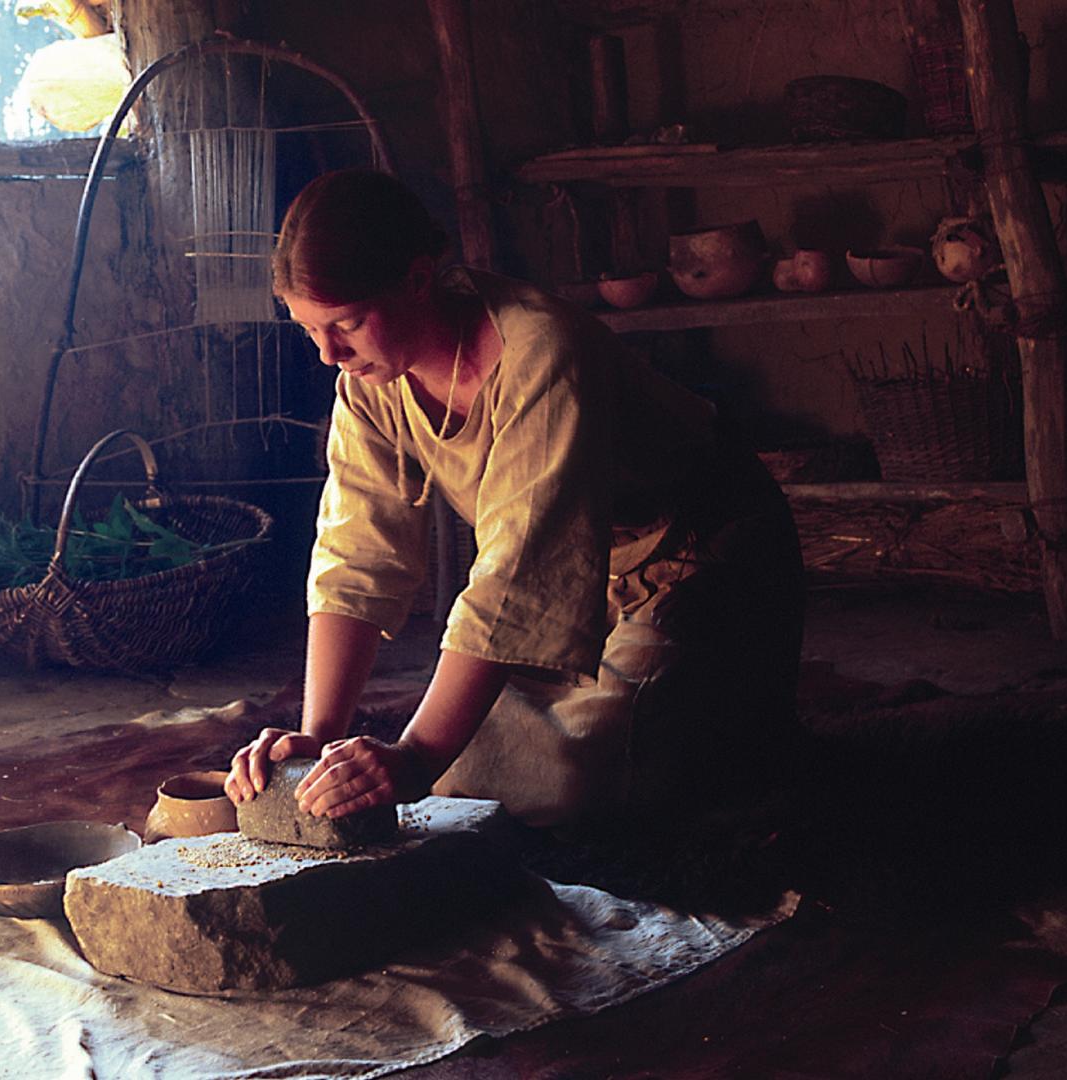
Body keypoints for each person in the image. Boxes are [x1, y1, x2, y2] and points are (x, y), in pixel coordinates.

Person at [224, 169, 804, 829]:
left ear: (417, 280)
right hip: (588, 582)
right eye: (309, 331)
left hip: (703, 562)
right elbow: (356, 547)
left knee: (571, 786)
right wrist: (318, 738)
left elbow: (516, 576)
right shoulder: (368, 377)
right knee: (468, 778)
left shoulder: (539, 351)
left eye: (347, 323)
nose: (329, 354)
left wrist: (413, 757)